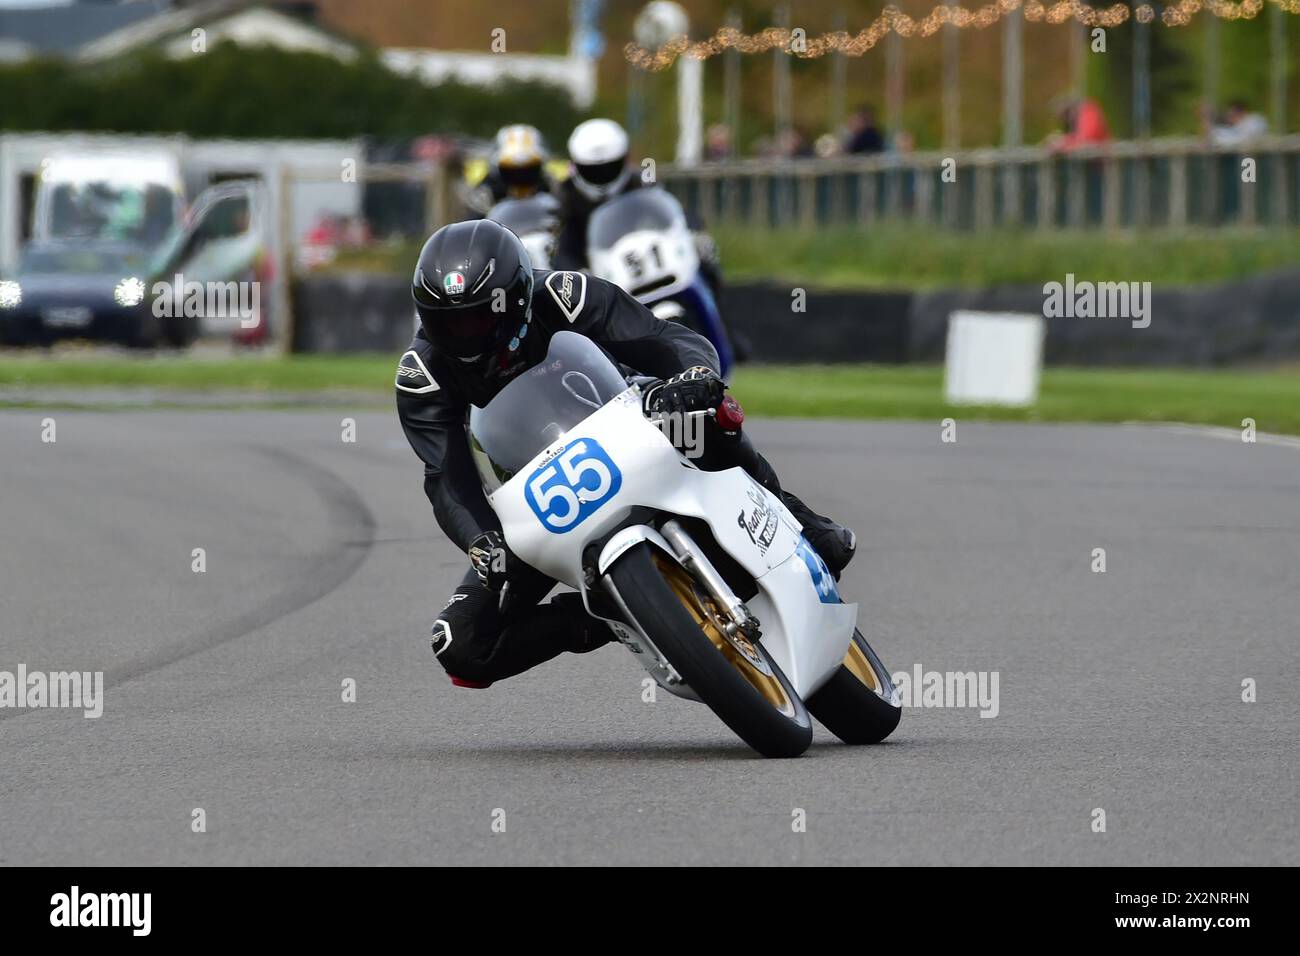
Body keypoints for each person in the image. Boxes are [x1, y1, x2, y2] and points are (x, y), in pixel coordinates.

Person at [396, 219, 856, 688]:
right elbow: (445, 476)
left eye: (477, 317)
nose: (464, 334)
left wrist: (693, 376)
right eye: (448, 321)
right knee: (461, 643)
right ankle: (618, 613)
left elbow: (661, 337)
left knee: (704, 415)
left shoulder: (562, 293)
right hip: (537, 503)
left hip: (629, 420)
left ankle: (798, 520)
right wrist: (481, 541)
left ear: (515, 295)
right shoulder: (422, 375)